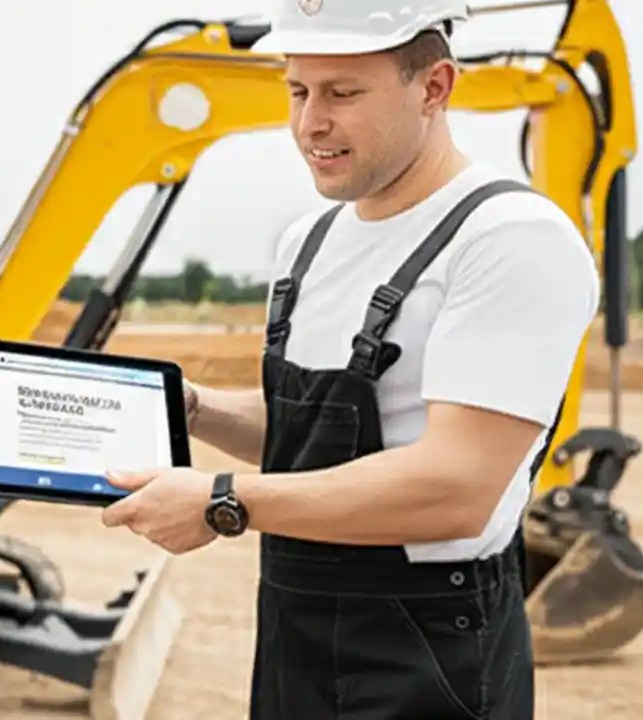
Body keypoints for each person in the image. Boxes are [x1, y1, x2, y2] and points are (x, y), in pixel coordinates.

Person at [99, 0, 600, 717]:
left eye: (343, 93)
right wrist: (195, 408)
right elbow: (318, 438)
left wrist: (222, 503)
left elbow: (456, 488)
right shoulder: (308, 241)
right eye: (298, 91)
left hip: (428, 651)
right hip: (295, 628)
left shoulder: (509, 240)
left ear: (434, 87)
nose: (310, 124)